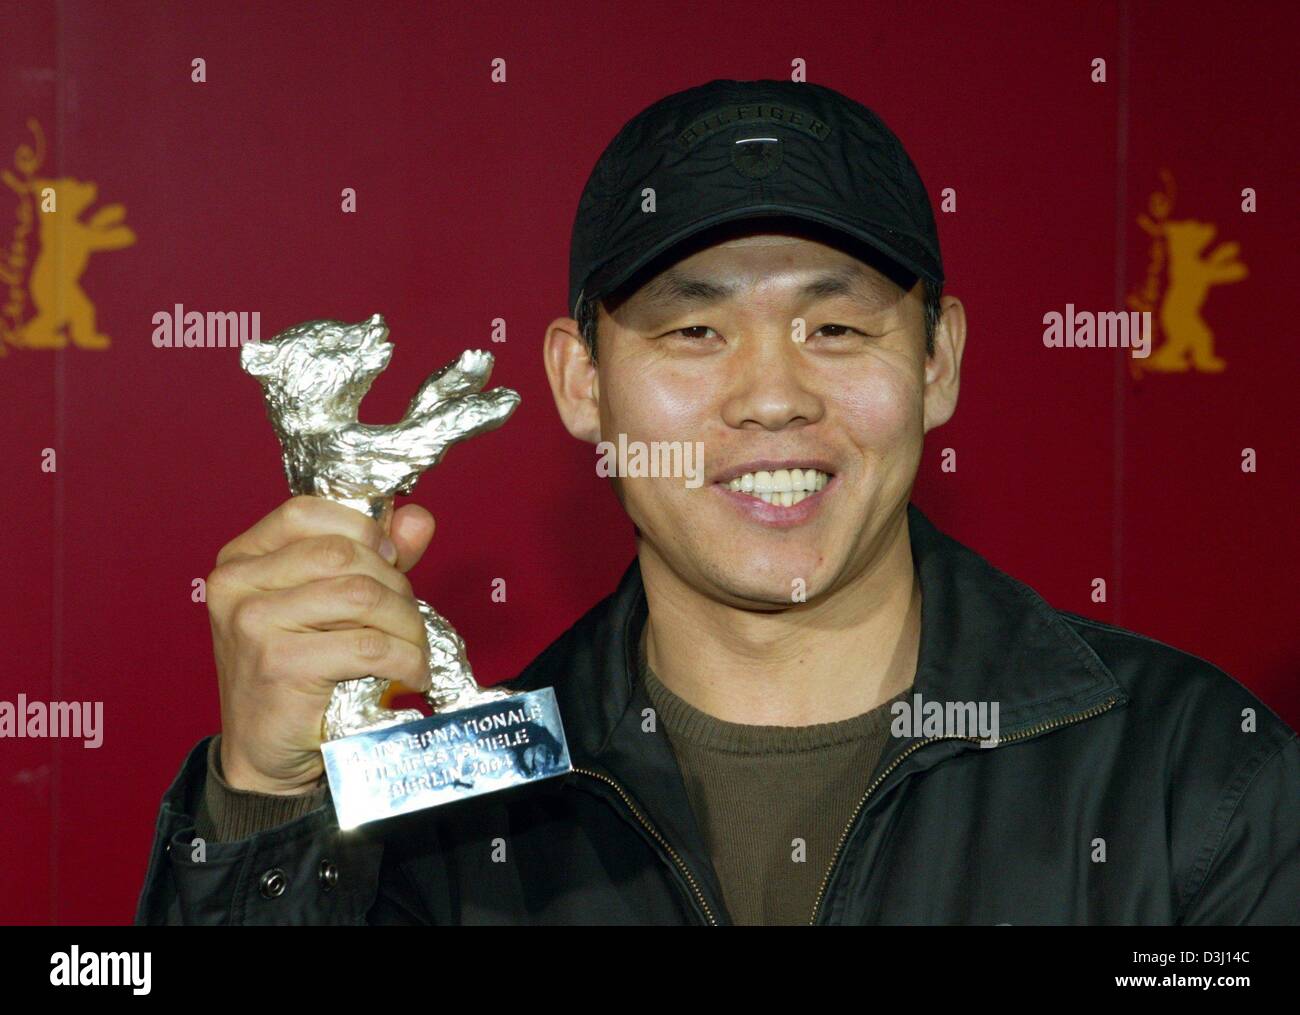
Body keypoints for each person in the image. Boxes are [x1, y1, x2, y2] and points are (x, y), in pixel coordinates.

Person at [135, 78, 1298, 925]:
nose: (774, 396)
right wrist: (259, 816)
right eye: (693, 331)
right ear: (580, 382)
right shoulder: (445, 812)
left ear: (937, 363)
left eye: (836, 328)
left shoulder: (1190, 779)